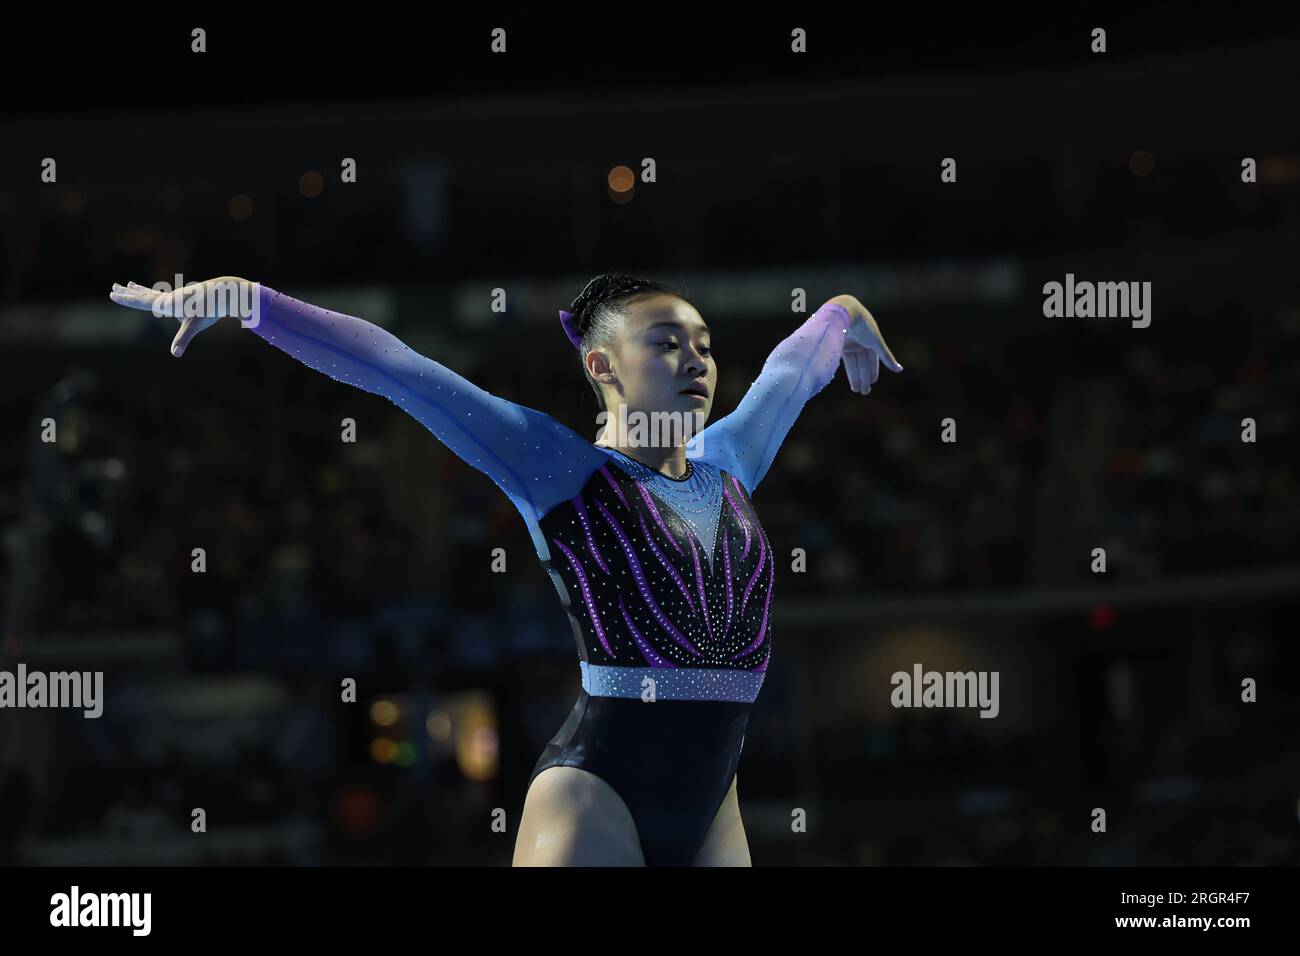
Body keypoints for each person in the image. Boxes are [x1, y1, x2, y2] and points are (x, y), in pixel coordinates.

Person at [109, 273, 901, 865]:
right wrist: (253, 302)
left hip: (713, 807)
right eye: (665, 342)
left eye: (702, 344)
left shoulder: (730, 462)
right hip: (596, 795)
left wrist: (845, 315)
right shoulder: (563, 469)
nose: (695, 358)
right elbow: (399, 371)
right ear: (602, 367)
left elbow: (794, 368)